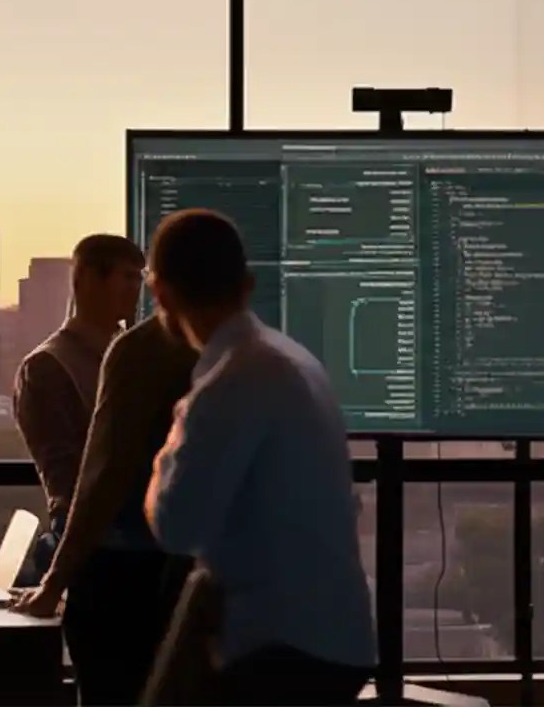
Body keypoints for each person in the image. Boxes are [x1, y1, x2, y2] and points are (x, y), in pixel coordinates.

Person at [142, 208, 376, 705]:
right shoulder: (294, 359)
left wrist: (170, 440)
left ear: (159, 293)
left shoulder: (230, 382)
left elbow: (176, 525)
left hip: (280, 646)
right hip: (336, 635)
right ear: (247, 284)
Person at [9, 315, 198, 705]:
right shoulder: (260, 358)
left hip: (120, 572)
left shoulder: (139, 351)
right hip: (193, 575)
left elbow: (102, 476)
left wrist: (56, 580)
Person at [12, 234, 145, 580]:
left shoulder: (133, 355)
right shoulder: (49, 366)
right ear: (86, 278)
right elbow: (65, 476)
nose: (135, 288)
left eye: (139, 278)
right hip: (100, 545)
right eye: (126, 277)